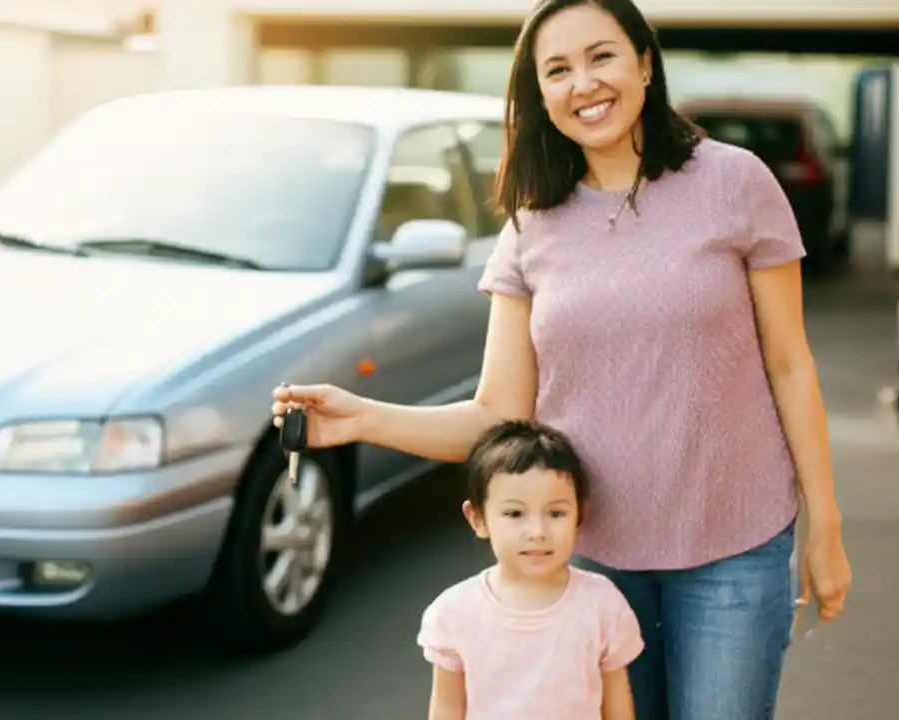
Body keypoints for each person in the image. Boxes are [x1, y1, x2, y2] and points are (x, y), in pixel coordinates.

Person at [272, 0, 853, 717]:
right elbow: (497, 416)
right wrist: (360, 418)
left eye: (602, 56)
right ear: (541, 96)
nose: (584, 83)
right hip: (595, 561)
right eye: (558, 69)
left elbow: (790, 367)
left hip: (733, 549)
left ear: (645, 62)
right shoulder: (530, 227)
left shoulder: (735, 183)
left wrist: (824, 527)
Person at [418, 420, 642, 720]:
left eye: (555, 513)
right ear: (478, 518)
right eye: (514, 513)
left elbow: (617, 709)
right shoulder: (453, 614)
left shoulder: (602, 605)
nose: (537, 531)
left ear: (580, 513)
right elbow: (446, 710)